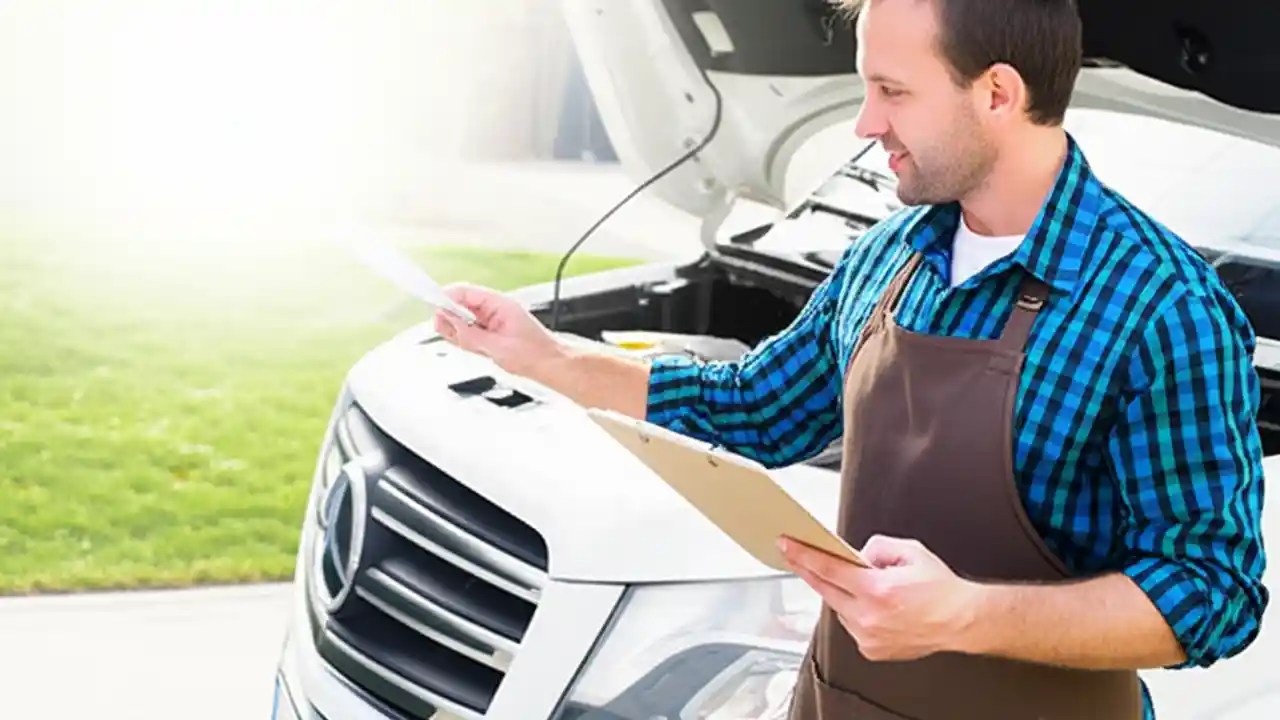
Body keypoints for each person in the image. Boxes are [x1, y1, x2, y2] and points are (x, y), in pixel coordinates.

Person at [434, 0, 1267, 717]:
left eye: (892, 91)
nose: (866, 123)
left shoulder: (1164, 310)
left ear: (999, 94)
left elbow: (1211, 594)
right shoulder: (886, 256)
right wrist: (546, 357)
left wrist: (964, 615)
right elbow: (754, 407)